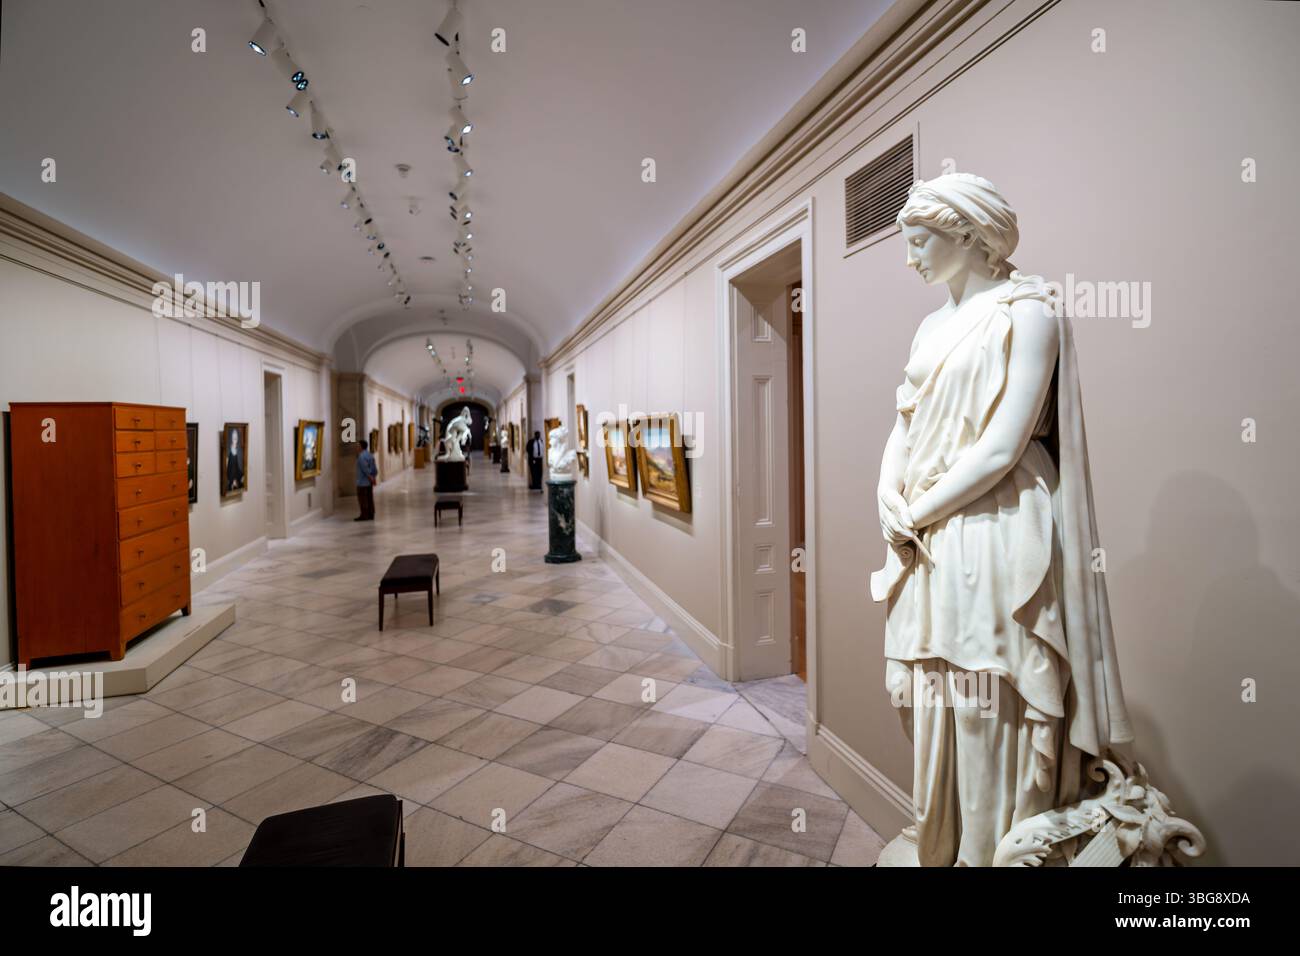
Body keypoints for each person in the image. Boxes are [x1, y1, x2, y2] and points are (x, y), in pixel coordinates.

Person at [871, 174, 1131, 866]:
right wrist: (885, 495)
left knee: (989, 694)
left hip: (994, 528)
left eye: (920, 241)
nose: (910, 258)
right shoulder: (931, 325)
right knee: (927, 694)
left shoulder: (1030, 310)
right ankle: (937, 844)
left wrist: (915, 512)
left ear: (965, 236)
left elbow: (1001, 445)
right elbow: (905, 419)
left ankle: (988, 851)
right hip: (925, 536)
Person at [355, 439, 378, 521]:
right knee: (370, 498)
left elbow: (365, 469)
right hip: (369, 482)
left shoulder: (361, 456)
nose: (356, 447)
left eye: (357, 446)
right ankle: (371, 514)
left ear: (361, 446)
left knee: (363, 499)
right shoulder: (370, 455)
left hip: (362, 482)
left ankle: (364, 515)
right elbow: (374, 468)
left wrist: (370, 477)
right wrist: (373, 477)